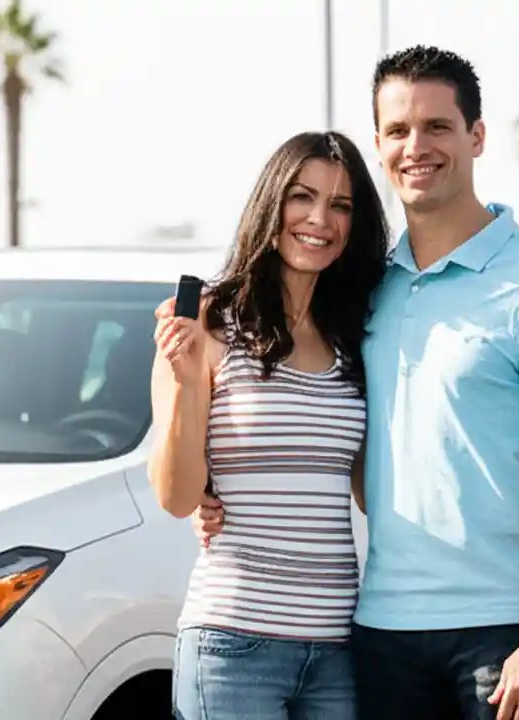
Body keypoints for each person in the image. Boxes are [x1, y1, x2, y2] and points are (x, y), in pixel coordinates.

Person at [193, 45, 519, 720]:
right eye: (397, 130)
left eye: (437, 126)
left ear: (476, 136)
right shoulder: (365, 290)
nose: (416, 146)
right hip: (382, 631)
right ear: (380, 145)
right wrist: (216, 483)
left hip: (509, 632)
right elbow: (316, 415)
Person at [148, 130, 390, 720]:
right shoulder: (206, 323)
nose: (319, 219)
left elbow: (365, 488)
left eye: (341, 205)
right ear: (271, 203)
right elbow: (178, 497)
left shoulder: (355, 339)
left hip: (336, 644)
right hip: (234, 645)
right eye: (302, 197)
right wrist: (184, 382)